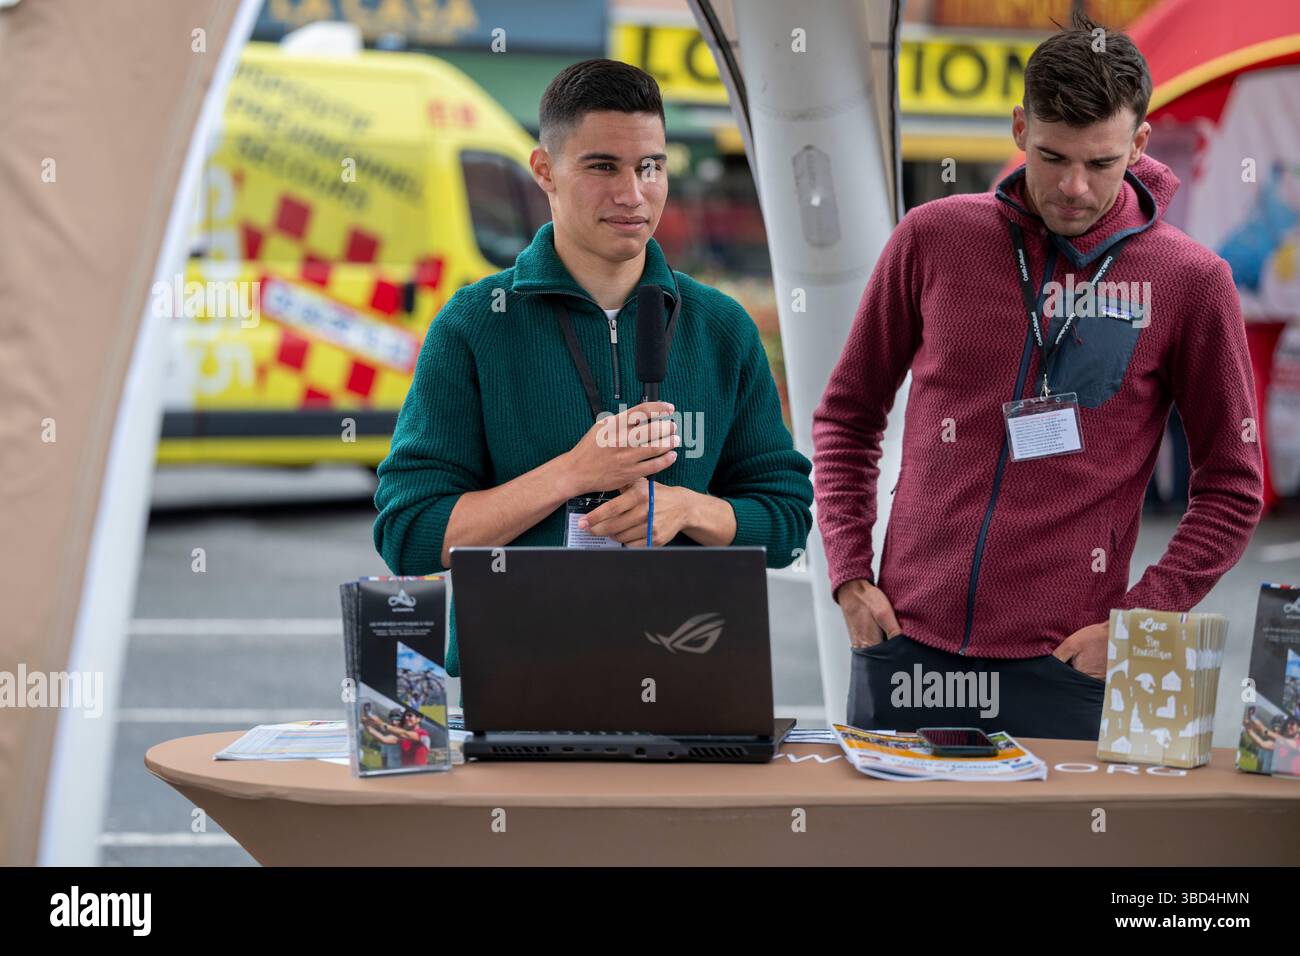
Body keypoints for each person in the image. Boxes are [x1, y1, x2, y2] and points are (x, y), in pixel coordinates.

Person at [812, 12, 1263, 740]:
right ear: (1020, 128)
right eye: (1053, 157)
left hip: (1066, 660)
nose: (1075, 188)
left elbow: (1234, 486)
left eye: (1102, 162)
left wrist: (1140, 623)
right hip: (903, 641)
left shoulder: (1190, 281)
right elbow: (848, 416)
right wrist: (849, 572)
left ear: (1140, 144)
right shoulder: (932, 238)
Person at [374, 59, 813, 676]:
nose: (632, 194)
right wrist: (573, 473)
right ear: (544, 171)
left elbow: (790, 522)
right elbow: (410, 533)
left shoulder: (721, 327)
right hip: (518, 686)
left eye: (650, 167)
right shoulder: (474, 324)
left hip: (695, 678)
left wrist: (688, 510)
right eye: (603, 166)